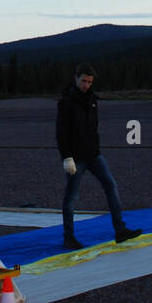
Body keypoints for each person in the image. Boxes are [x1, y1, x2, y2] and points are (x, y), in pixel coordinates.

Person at [56, 62, 141, 249]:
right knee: (71, 197)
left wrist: (96, 149)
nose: (86, 85)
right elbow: (61, 133)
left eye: (89, 82)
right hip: (75, 159)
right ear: (76, 79)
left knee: (111, 185)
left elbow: (93, 128)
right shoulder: (66, 103)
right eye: (84, 81)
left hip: (93, 155)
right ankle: (68, 237)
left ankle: (120, 230)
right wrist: (66, 157)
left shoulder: (92, 100)